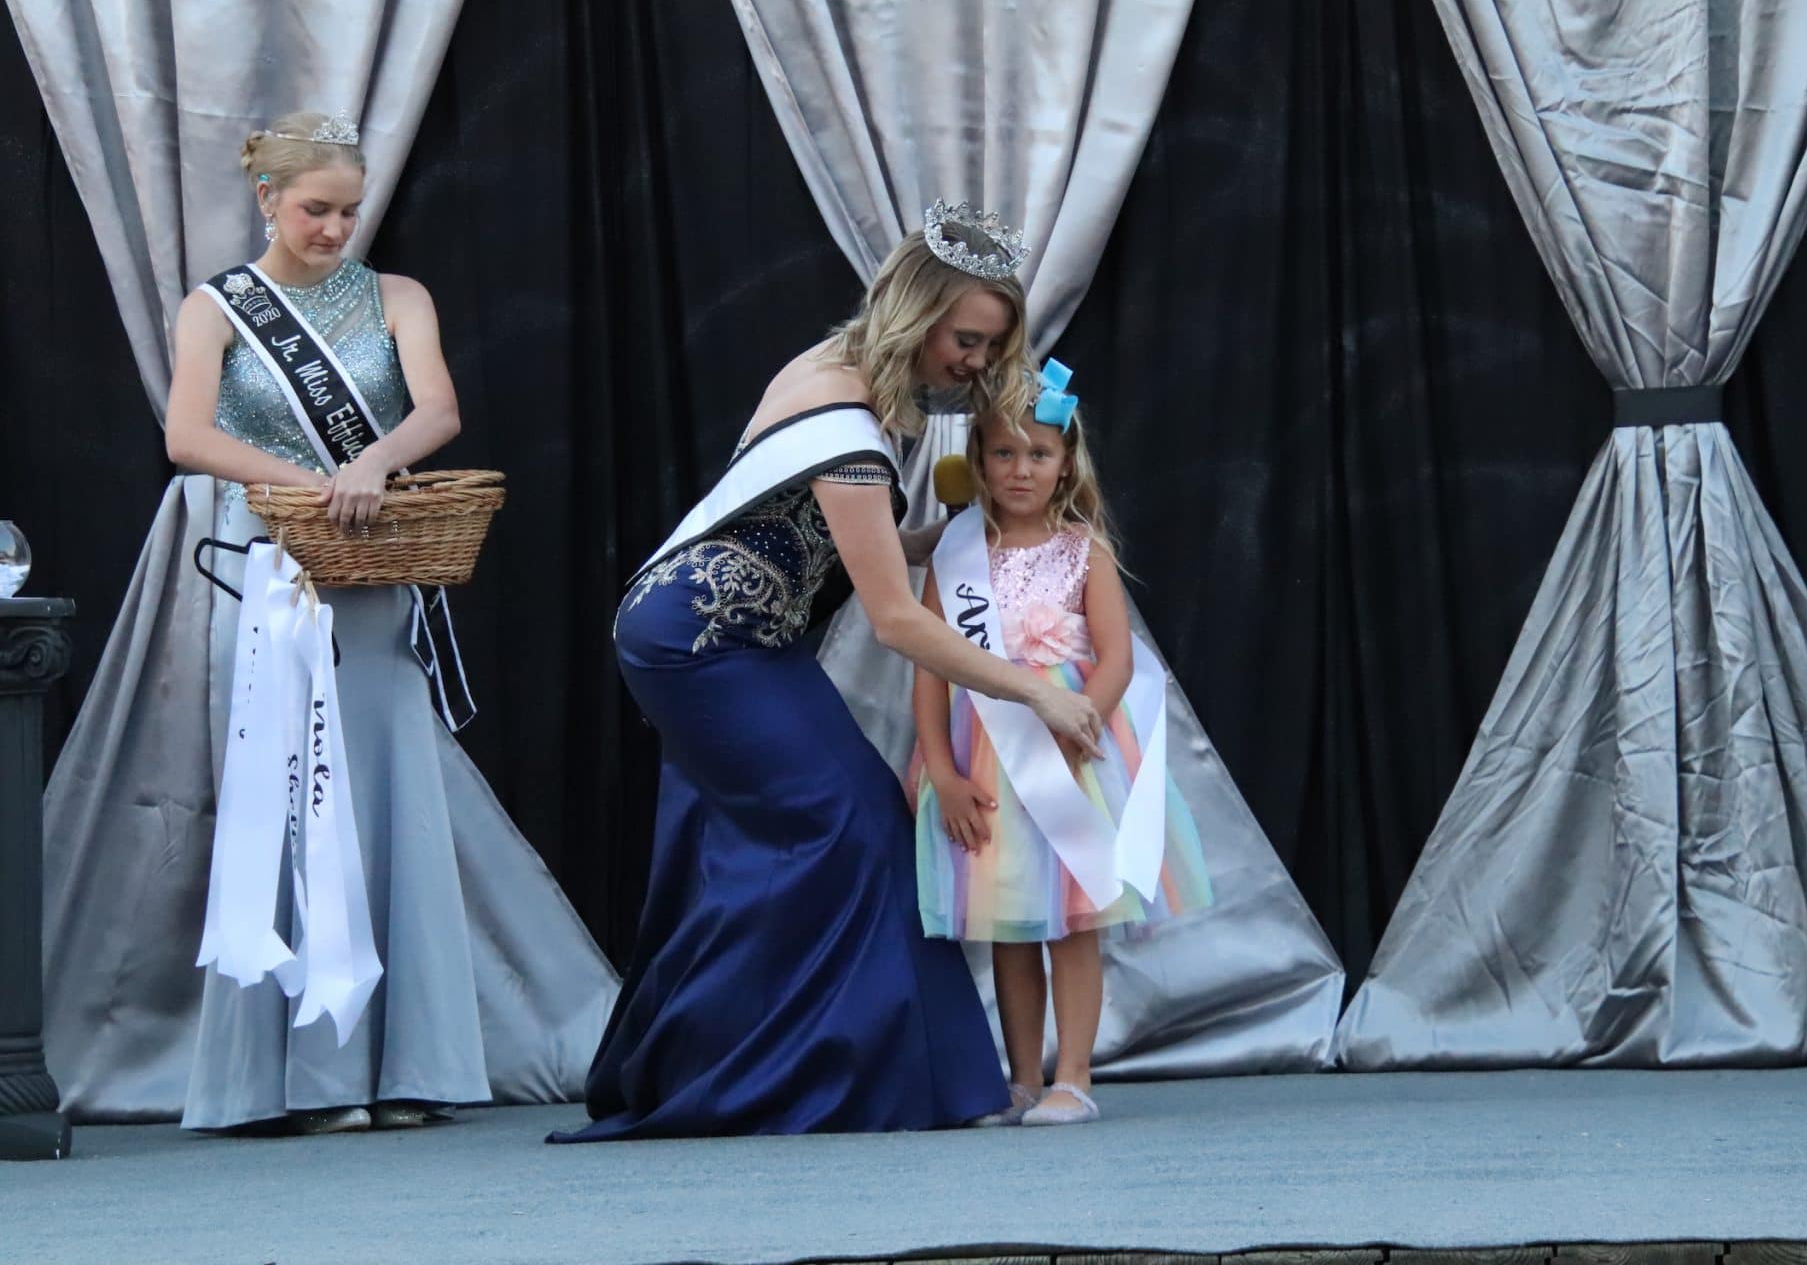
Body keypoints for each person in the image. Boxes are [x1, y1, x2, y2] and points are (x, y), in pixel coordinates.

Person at [551, 202, 1106, 1141]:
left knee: (754, 846)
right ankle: (812, 1077)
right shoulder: (849, 433)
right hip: (705, 644)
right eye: (966, 340)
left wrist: (940, 541)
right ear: (916, 314)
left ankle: (732, 1065)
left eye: (990, 346)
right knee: (855, 825)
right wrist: (1034, 689)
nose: (976, 364)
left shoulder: (832, 368)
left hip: (727, 637)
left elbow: (829, 539)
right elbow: (894, 619)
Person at [159, 110, 614, 1135]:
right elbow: (188, 435)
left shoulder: (399, 296)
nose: (334, 229)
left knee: (391, 807)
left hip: (376, 581)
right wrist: (317, 486)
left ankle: (413, 1066)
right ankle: (295, 1083)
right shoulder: (216, 308)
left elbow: (437, 411)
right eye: (315, 209)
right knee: (288, 807)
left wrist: (370, 464)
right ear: (267, 199)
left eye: (349, 211)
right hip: (277, 585)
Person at [910, 363, 1215, 1126]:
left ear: (1066, 463)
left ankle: (1073, 1078)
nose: (1021, 470)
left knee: (1074, 920)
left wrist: (1082, 725)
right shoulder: (955, 560)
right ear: (978, 463)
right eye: (1004, 454)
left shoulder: (1085, 550)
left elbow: (1116, 659)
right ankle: (1022, 1079)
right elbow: (929, 675)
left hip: (1073, 756)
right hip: (987, 759)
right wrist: (941, 770)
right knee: (1011, 924)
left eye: (1038, 455)